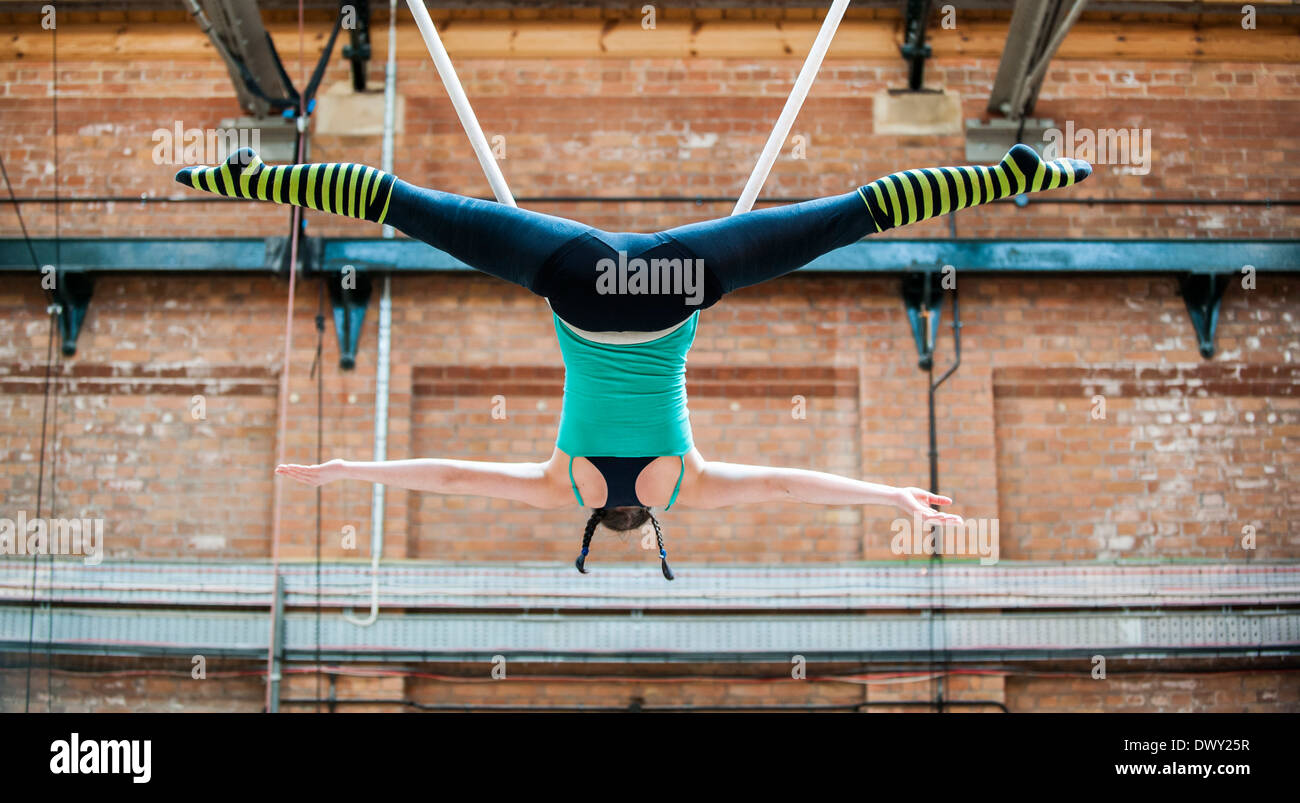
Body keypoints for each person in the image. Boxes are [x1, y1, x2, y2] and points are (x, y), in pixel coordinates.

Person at [177, 143, 1091, 578]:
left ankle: (1019, 175)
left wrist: (887, 492)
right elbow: (450, 474)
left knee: (846, 217)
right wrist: (350, 470)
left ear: (644, 522)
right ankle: (242, 176)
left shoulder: (683, 486)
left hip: (676, 284)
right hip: (572, 277)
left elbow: (784, 487)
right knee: (407, 204)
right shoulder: (562, 487)